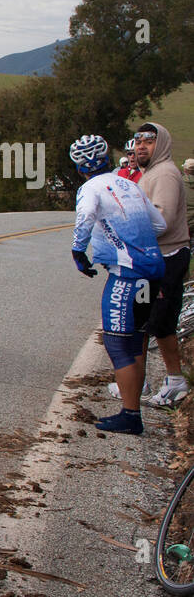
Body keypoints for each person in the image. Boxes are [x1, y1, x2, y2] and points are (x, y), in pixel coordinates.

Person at [70, 135, 165, 434]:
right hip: (153, 270)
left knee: (116, 342)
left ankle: (130, 415)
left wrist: (78, 250)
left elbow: (85, 216)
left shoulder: (90, 188)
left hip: (126, 273)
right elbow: (160, 224)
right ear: (109, 159)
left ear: (79, 168)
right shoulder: (129, 184)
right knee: (135, 340)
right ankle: (132, 412)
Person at [131, 121, 191, 406]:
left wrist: (128, 232)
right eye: (138, 140)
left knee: (160, 323)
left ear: (162, 143)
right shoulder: (151, 173)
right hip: (153, 258)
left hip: (166, 257)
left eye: (149, 140)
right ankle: (137, 380)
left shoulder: (165, 174)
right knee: (146, 320)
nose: (141, 145)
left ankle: (175, 382)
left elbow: (162, 222)